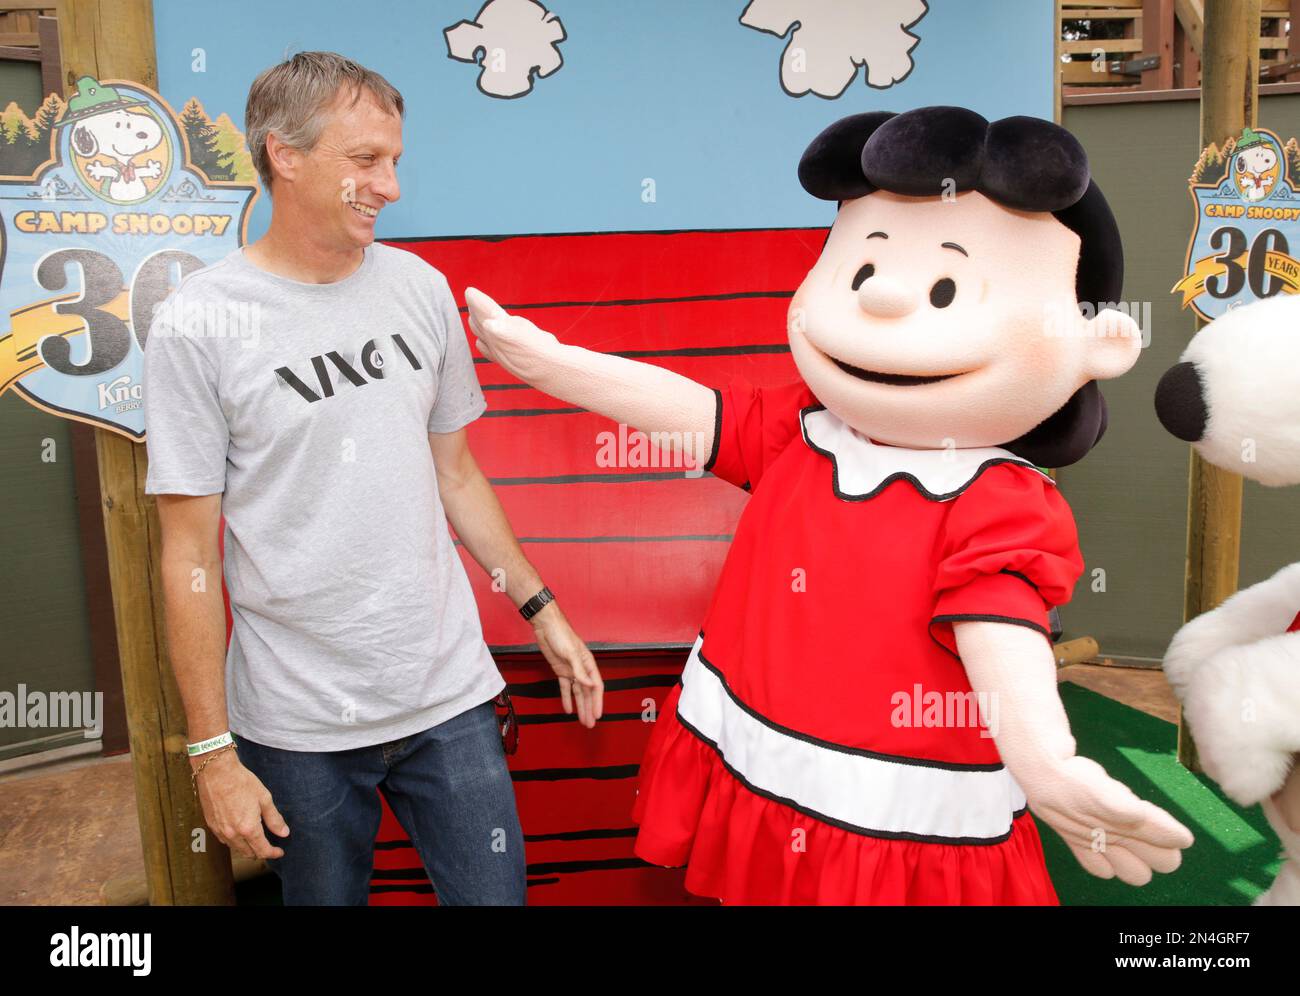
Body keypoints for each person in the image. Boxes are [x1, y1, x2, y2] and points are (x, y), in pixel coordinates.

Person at [465, 106, 1193, 904]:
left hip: (887, 805)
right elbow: (691, 411)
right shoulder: (805, 429)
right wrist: (553, 364)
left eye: (946, 286)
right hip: (758, 750)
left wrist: (1044, 757)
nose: (880, 301)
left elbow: (999, 635)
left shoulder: (1000, 500)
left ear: (1099, 344)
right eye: (862, 267)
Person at [143, 51, 603, 906]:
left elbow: (457, 475)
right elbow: (185, 555)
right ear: (284, 154)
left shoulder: (420, 289)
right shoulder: (199, 322)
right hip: (297, 727)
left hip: (450, 699)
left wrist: (541, 610)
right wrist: (211, 754)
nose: (390, 185)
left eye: (395, 160)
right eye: (365, 161)